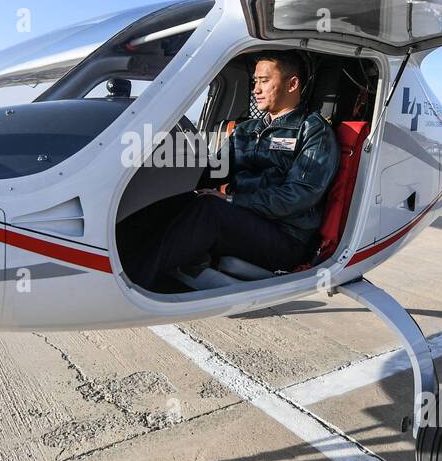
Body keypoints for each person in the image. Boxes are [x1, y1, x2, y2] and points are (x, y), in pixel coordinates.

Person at [129, 50, 338, 288]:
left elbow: (298, 196)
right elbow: (216, 171)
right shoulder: (246, 130)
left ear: (292, 84)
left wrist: (231, 200)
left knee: (210, 210)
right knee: (174, 200)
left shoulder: (313, 131)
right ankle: (119, 264)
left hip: (286, 236)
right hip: (244, 219)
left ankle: (136, 282)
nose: (256, 90)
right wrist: (167, 176)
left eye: (265, 81)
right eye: (255, 82)